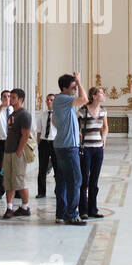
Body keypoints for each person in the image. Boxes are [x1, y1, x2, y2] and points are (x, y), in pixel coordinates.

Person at [51, 72, 88, 226]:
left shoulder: (62, 101)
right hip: (67, 147)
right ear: (64, 88)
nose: (75, 90)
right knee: (75, 180)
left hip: (63, 145)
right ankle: (72, 214)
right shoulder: (63, 99)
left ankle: (62, 213)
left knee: (64, 181)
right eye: (73, 88)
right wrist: (79, 81)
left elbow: (55, 121)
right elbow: (85, 99)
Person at [77, 87, 108, 219]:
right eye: (101, 93)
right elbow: (75, 123)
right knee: (84, 180)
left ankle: (93, 209)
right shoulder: (83, 110)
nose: (103, 95)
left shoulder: (103, 111)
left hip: (98, 149)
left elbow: (105, 127)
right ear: (94, 96)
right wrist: (78, 135)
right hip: (86, 148)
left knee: (94, 181)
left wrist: (104, 140)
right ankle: (83, 210)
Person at [1, 88, 32, 219]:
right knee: (8, 181)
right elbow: (9, 133)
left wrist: (19, 152)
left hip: (18, 153)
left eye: (13, 97)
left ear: (20, 99)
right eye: (10, 97)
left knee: (19, 181)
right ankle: (9, 207)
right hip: (8, 151)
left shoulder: (24, 115)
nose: (10, 100)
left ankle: (25, 206)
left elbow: (25, 135)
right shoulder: (11, 115)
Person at [36, 93, 56, 198]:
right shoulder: (42, 115)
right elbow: (39, 131)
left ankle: (58, 191)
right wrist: (39, 143)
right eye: (47, 100)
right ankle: (41, 192)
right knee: (42, 168)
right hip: (44, 142)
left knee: (58, 168)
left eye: (51, 100)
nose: (49, 102)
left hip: (55, 142)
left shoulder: (58, 114)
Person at [0, 89, 13, 198]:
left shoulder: (14, 110)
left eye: (9, 96)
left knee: (12, 166)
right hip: (0, 141)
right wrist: (2, 106)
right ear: (1, 98)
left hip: (11, 141)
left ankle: (15, 190)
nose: (7, 98)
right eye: (4, 96)